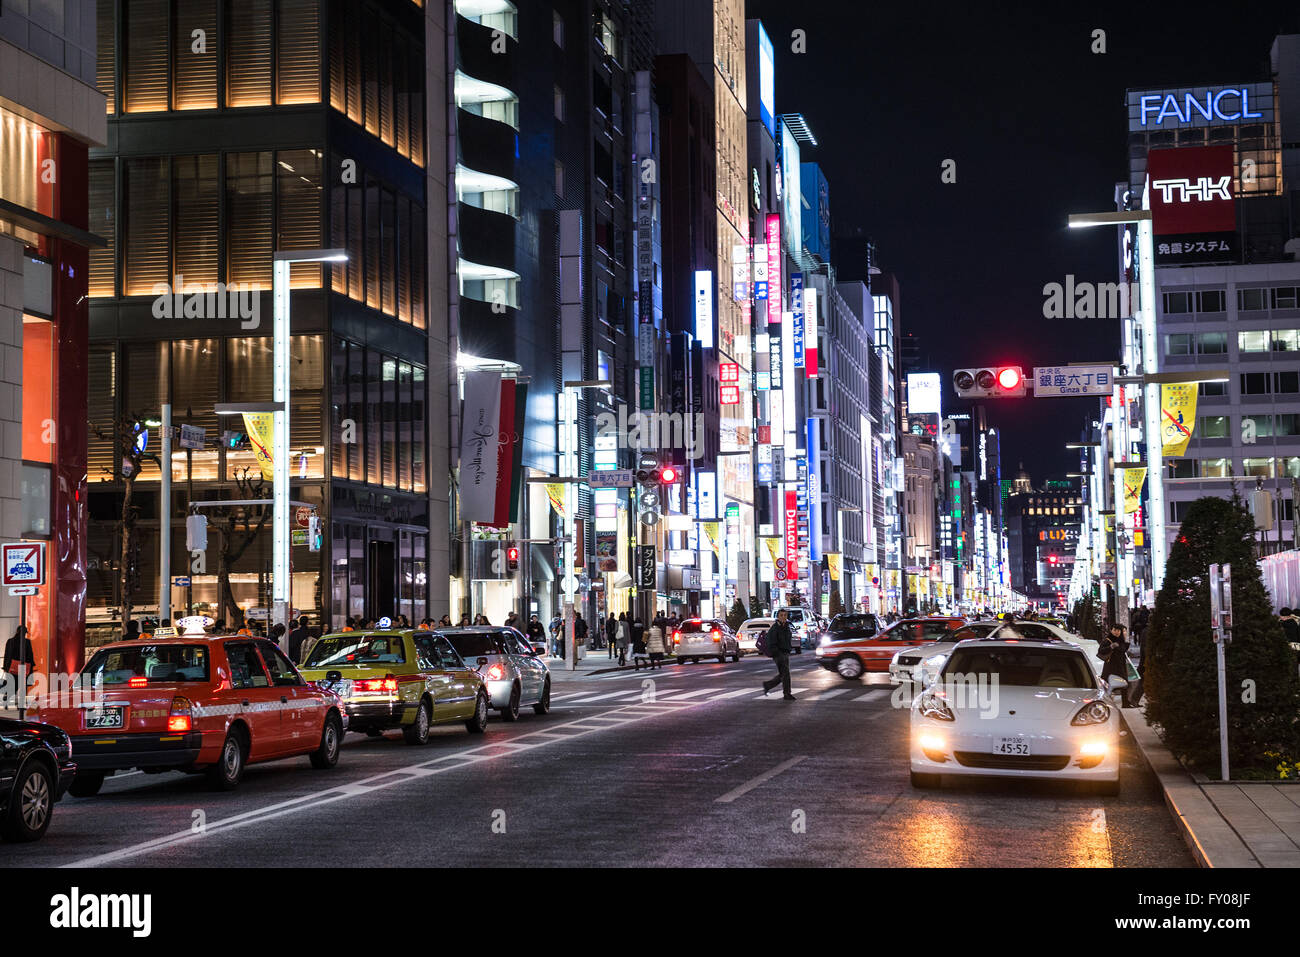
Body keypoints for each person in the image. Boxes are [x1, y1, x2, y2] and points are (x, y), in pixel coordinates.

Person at [761, 610, 795, 700]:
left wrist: (788, 650)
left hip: (785, 652)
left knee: (783, 674)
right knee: (785, 674)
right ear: (778, 617)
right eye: (781, 615)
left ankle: (768, 685)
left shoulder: (786, 626)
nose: (783, 617)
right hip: (779, 654)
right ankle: (787, 694)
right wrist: (777, 652)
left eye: (785, 615)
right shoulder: (775, 628)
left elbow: (788, 639)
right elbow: (770, 641)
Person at [4, 625, 36, 718]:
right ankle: (20, 705)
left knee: (12, 686)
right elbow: (30, 655)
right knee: (22, 687)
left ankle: (7, 701)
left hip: (13, 668)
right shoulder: (26, 642)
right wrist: (31, 668)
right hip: (23, 668)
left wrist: (6, 667)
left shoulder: (10, 641)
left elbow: (7, 655)